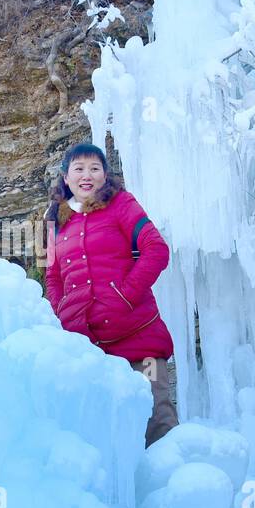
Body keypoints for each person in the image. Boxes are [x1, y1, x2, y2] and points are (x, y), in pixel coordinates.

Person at [44, 142, 178, 446]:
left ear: (105, 175)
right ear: (66, 178)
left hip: (137, 340)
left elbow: (155, 249)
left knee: (159, 428)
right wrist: (62, 313)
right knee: (101, 444)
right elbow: (52, 277)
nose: (86, 175)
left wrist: (125, 296)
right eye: (78, 169)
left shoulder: (122, 205)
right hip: (87, 352)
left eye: (95, 168)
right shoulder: (54, 222)